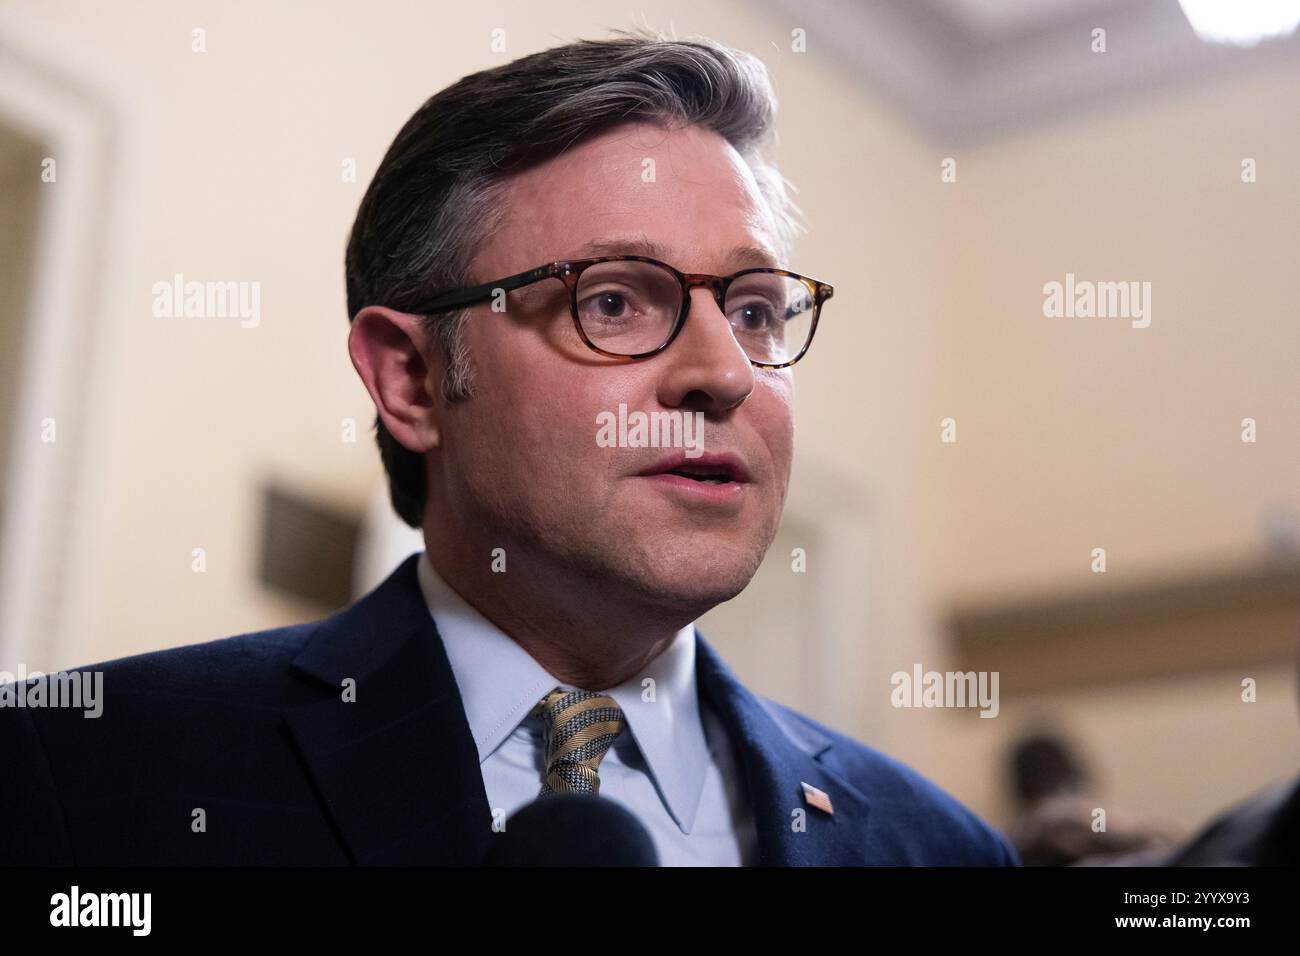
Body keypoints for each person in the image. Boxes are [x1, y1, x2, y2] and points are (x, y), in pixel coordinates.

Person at [0, 31, 1017, 866]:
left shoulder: (940, 849)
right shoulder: (76, 772)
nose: (724, 372)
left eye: (754, 309)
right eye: (612, 299)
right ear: (412, 377)